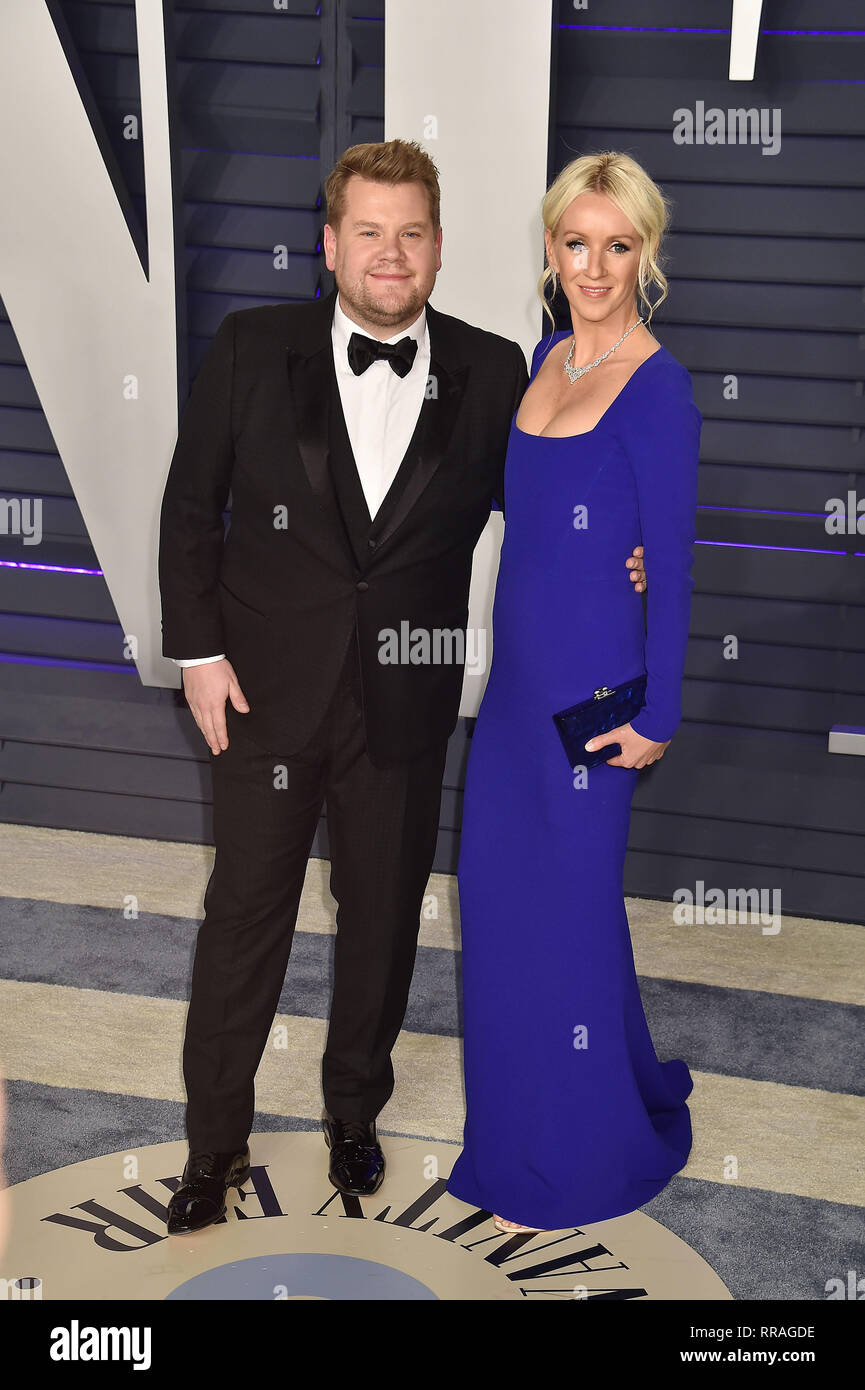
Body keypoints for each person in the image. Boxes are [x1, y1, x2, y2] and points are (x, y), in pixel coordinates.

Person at [157, 139, 647, 1235]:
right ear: (330, 244)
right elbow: (193, 508)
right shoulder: (249, 347)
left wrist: (633, 551)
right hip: (262, 699)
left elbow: (558, 504)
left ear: (437, 247)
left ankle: (352, 1112)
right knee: (244, 922)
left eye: (411, 233)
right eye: (368, 232)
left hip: (405, 705)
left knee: (380, 925)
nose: (391, 253)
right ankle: (213, 1147)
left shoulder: (492, 374)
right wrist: (199, 656)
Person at [446, 151, 701, 1234]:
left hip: (600, 694)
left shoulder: (661, 383)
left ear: (645, 254)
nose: (593, 265)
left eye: (618, 244)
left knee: (576, 916)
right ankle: (513, 1128)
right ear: (550, 249)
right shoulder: (543, 358)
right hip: (514, 695)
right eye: (575, 242)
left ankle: (587, 1150)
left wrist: (659, 716)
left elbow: (676, 562)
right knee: (499, 901)